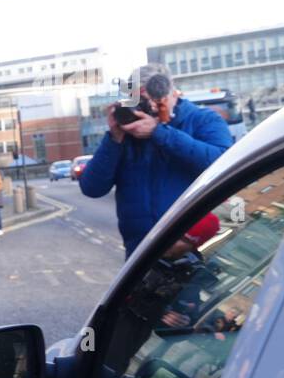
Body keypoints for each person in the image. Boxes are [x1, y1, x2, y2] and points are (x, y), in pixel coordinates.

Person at [79, 64, 233, 256]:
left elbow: (224, 165)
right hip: (142, 254)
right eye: (141, 100)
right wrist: (114, 138)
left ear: (172, 93)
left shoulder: (202, 119)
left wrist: (159, 133)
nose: (149, 107)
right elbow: (91, 188)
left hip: (196, 248)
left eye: (154, 99)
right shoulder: (126, 136)